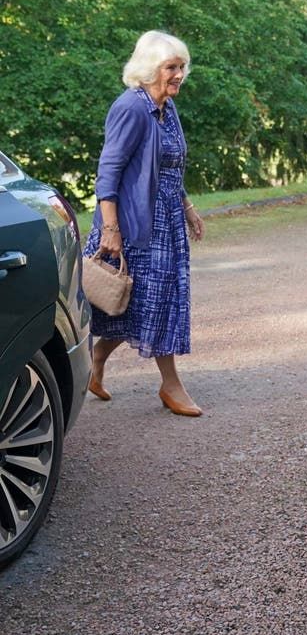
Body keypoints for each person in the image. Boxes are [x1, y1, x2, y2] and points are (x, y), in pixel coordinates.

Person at [84, 30, 205, 417]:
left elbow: (170, 167)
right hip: (134, 223)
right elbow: (109, 171)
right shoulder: (131, 107)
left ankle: (96, 361)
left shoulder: (167, 108)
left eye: (182, 66)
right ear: (150, 68)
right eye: (172, 66)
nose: (180, 74)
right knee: (154, 302)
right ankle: (171, 385)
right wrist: (110, 229)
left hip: (166, 220)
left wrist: (187, 207)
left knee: (141, 305)